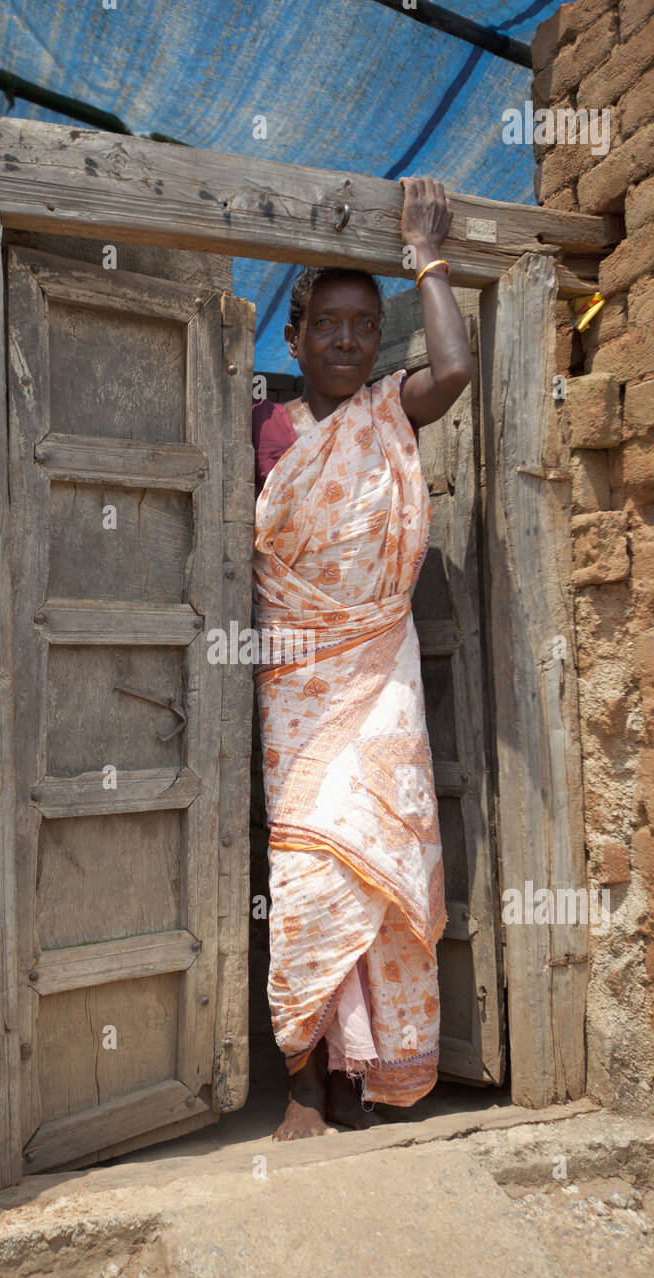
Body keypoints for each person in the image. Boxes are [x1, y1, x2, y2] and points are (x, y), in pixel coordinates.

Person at [252, 177, 473, 1141]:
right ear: (294, 338)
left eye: (362, 326)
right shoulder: (263, 429)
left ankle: (363, 1070)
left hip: (380, 674)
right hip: (298, 680)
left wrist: (427, 257)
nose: (346, 341)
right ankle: (303, 1076)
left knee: (377, 863)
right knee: (308, 873)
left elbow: (456, 368)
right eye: (327, 326)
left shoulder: (394, 409)